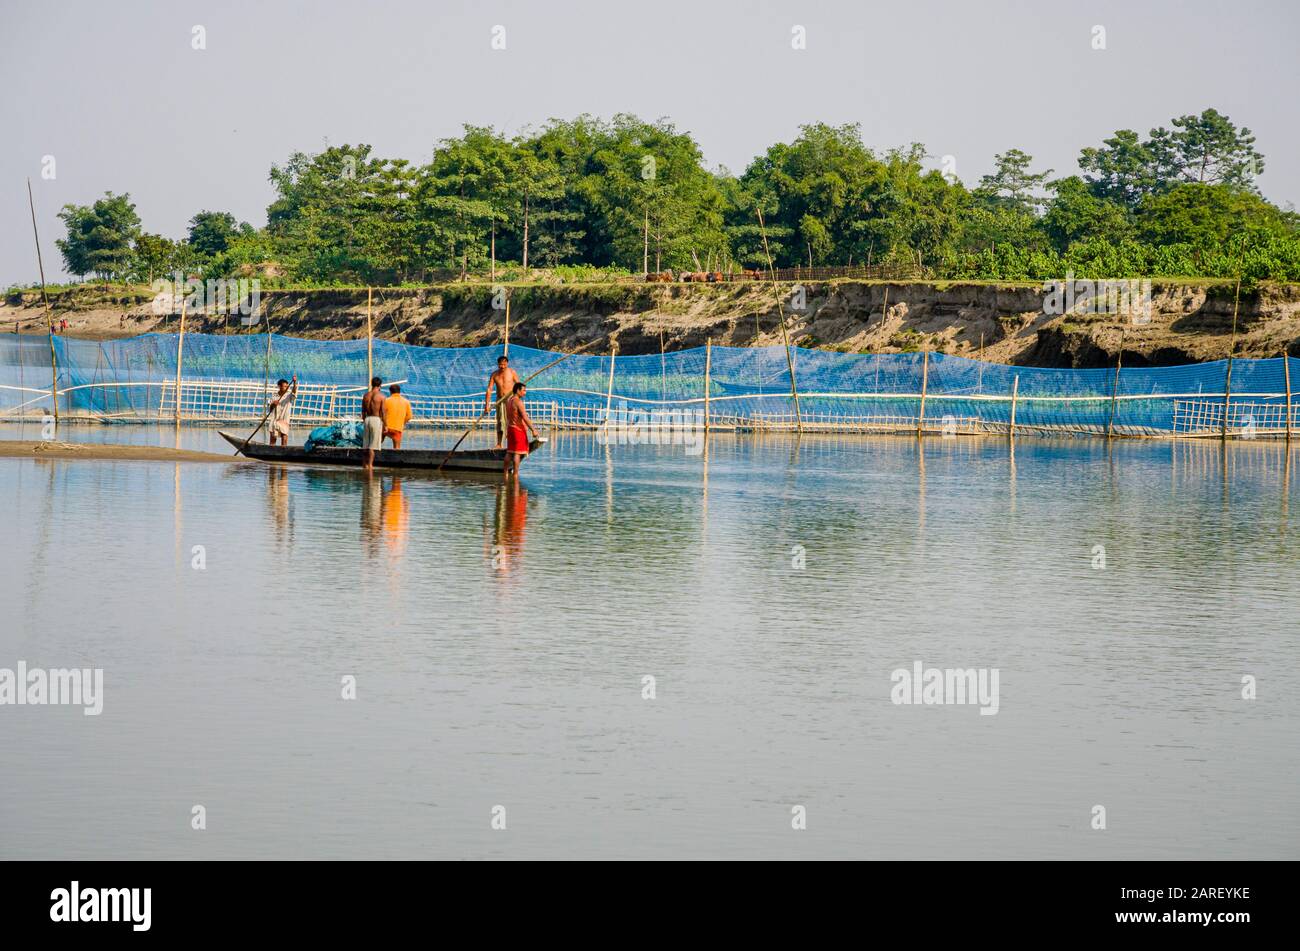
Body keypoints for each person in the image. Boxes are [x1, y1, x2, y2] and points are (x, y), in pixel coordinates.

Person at [503, 382, 538, 479]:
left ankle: (505, 473)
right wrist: (533, 430)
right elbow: (525, 417)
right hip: (518, 430)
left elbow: (508, 418)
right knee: (517, 453)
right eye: (524, 390)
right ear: (518, 390)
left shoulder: (509, 401)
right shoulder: (518, 402)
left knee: (509, 452)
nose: (525, 393)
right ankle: (515, 474)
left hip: (510, 428)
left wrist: (507, 431)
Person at [485, 355, 521, 450]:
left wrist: (517, 397)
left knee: (511, 422)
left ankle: (512, 443)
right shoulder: (494, 375)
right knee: (500, 422)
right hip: (500, 400)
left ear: (507, 364)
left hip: (510, 400)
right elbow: (489, 389)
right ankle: (499, 444)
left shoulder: (512, 372)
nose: (503, 367)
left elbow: (519, 386)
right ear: (498, 364)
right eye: (501, 365)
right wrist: (487, 405)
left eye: (504, 364)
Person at [361, 376, 386, 471]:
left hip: (367, 419)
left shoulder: (366, 395)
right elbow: (383, 412)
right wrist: (386, 425)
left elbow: (363, 411)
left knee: (365, 445)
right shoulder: (381, 396)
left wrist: (365, 420)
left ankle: (364, 465)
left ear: (371, 384)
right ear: (380, 385)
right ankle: (370, 466)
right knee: (372, 445)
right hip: (376, 419)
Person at [267, 375, 297, 446]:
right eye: (285, 386)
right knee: (273, 440)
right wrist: (273, 404)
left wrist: (295, 382)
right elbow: (270, 409)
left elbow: (294, 390)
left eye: (287, 386)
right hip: (275, 420)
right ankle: (271, 453)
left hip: (284, 420)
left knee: (284, 438)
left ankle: (283, 453)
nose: (287, 388)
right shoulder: (274, 396)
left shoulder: (289, 396)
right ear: (279, 386)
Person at [383, 383, 413, 449]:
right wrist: (403, 422)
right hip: (397, 428)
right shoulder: (406, 402)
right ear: (399, 391)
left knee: (378, 443)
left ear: (390, 391)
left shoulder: (386, 400)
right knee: (397, 447)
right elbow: (409, 416)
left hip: (386, 427)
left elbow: (382, 414)